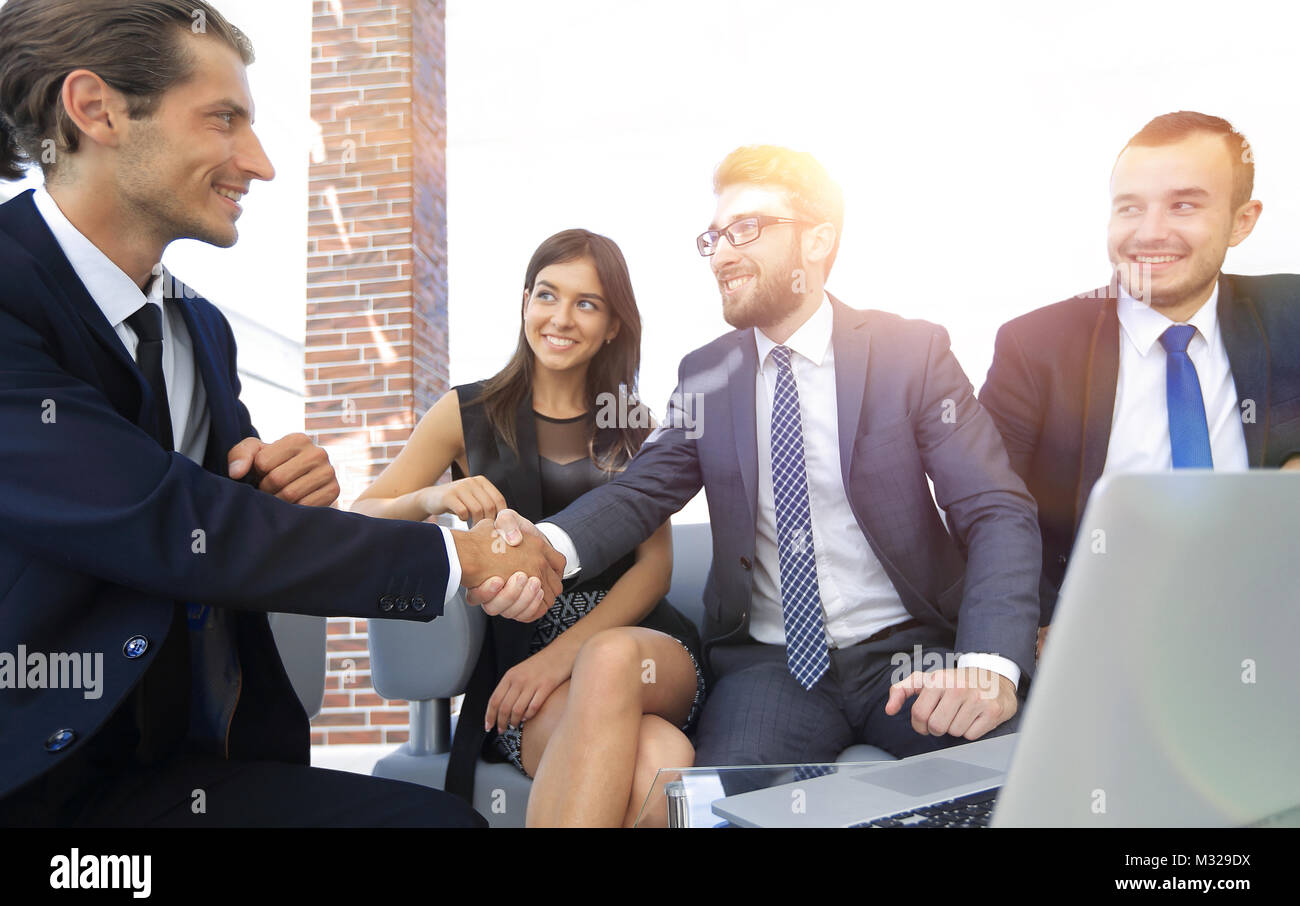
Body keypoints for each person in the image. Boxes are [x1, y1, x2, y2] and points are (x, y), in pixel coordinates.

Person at [0, 0, 562, 827]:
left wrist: (275, 491)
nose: (259, 163)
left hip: (188, 771)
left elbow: (223, 535)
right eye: (224, 120)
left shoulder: (200, 330)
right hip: (36, 783)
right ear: (96, 110)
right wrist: (456, 559)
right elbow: (169, 521)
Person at [472, 145, 1042, 775]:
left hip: (911, 655)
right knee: (724, 809)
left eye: (746, 229)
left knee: (1019, 782)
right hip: (772, 668)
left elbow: (995, 508)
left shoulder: (912, 354)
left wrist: (988, 666)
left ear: (818, 241)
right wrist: (543, 544)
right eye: (713, 236)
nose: (721, 252)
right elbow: (640, 492)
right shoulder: (707, 375)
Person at [352, 229, 705, 827]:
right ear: (524, 303)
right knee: (662, 762)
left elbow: (654, 568)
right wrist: (432, 495)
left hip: (641, 645)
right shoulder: (464, 414)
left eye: (586, 303)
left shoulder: (636, 425)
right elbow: (362, 517)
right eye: (547, 295)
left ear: (613, 324)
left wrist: (564, 657)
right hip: (523, 658)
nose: (561, 318)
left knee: (612, 659)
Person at [979, 111, 1300, 659]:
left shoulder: (1288, 312)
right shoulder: (1035, 347)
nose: (1149, 232)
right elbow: (985, 512)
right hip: (1105, 637)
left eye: (1184, 204)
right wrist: (1038, 623)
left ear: (1242, 221)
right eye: (1130, 207)